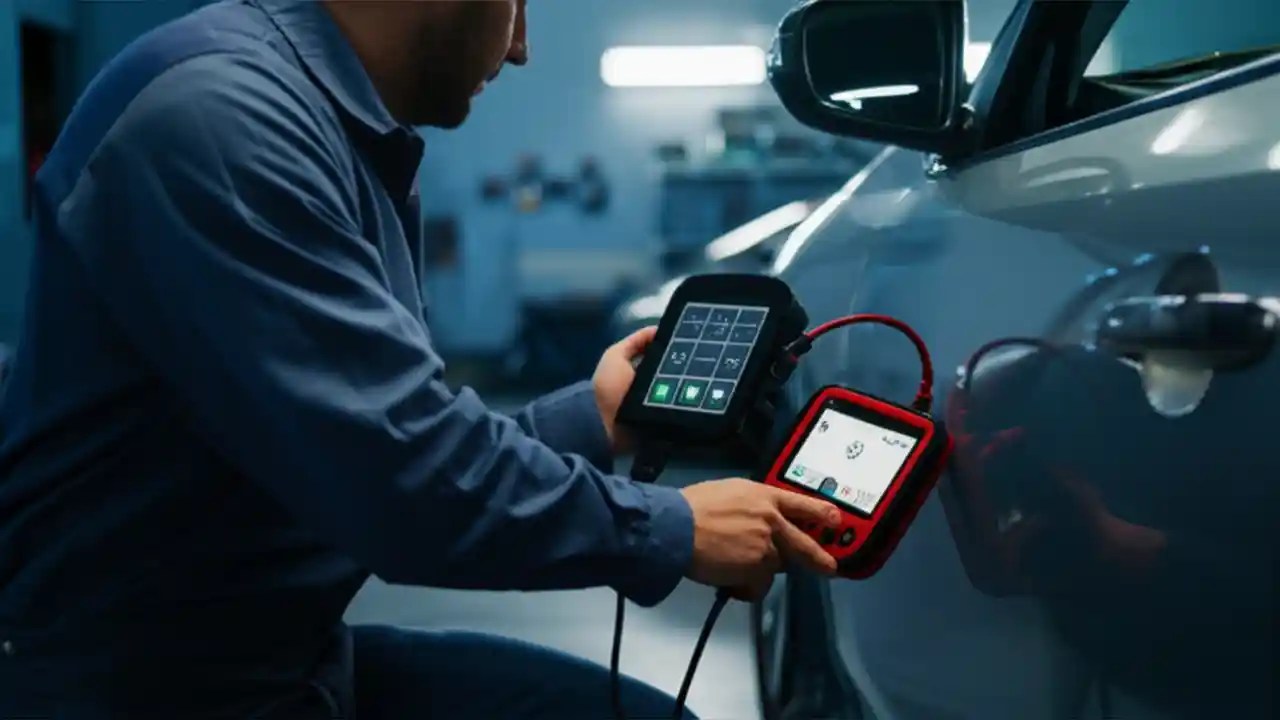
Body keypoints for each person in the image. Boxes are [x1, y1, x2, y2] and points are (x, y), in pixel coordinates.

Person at [0, 1, 842, 718]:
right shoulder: (222, 117)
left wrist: (593, 420)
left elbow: (378, 434)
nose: (521, 48)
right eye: (517, 3)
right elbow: (402, 484)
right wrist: (673, 527)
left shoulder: (317, 122)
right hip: (159, 693)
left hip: (277, 656)